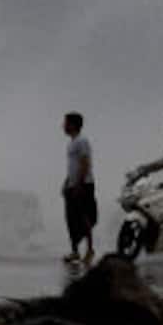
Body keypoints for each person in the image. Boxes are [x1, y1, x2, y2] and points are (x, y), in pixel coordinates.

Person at [60, 112, 97, 264]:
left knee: (84, 217)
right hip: (72, 184)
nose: (63, 126)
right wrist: (67, 182)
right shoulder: (71, 142)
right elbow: (72, 167)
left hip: (83, 185)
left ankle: (89, 250)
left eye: (65, 123)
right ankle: (75, 251)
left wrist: (79, 184)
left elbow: (85, 163)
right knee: (71, 219)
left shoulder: (82, 141)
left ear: (73, 125)